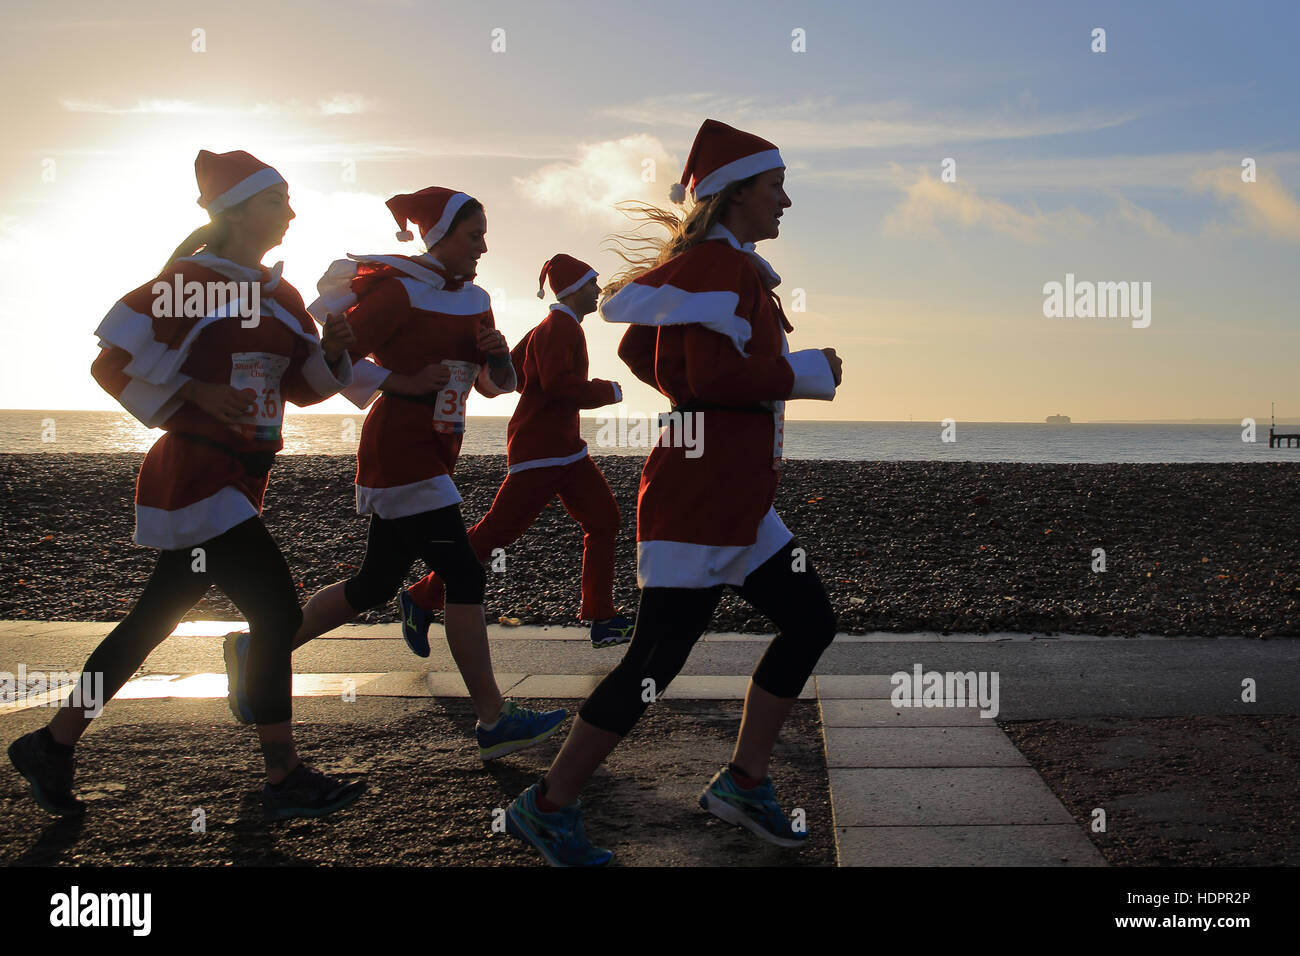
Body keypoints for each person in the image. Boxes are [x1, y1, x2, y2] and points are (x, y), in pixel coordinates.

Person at [505, 119, 843, 865]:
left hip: (732, 493)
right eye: (776, 185)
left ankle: (745, 781)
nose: (786, 200)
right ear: (734, 195)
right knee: (653, 664)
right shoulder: (721, 270)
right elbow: (720, 377)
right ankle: (549, 803)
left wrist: (686, 389)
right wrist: (808, 370)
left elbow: (637, 345)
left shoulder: (719, 267)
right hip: (703, 495)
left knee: (810, 621)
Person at [7, 149, 366, 821]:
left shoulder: (283, 296)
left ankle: (52, 743)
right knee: (277, 612)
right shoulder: (185, 284)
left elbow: (306, 388)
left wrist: (339, 350)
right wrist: (196, 389)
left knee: (150, 622)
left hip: (243, 475)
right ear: (233, 211)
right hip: (196, 475)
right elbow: (109, 366)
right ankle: (283, 773)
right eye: (276, 200)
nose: (291, 211)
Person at [225, 187, 566, 761]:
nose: (483, 247)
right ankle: (492, 716)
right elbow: (331, 353)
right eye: (473, 235)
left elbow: (491, 384)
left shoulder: (477, 298)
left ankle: (259, 648)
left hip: (439, 448)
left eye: (484, 236)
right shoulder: (399, 290)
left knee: (376, 584)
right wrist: (399, 381)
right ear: (439, 237)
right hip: (398, 447)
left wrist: (501, 356)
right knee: (464, 572)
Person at [401, 254, 634, 650]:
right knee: (497, 533)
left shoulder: (552, 327)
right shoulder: (560, 327)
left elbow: (518, 376)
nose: (597, 291)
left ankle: (601, 617)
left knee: (604, 521)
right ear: (575, 289)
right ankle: (420, 598)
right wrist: (606, 390)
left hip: (565, 452)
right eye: (593, 284)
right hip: (541, 453)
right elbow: (559, 384)